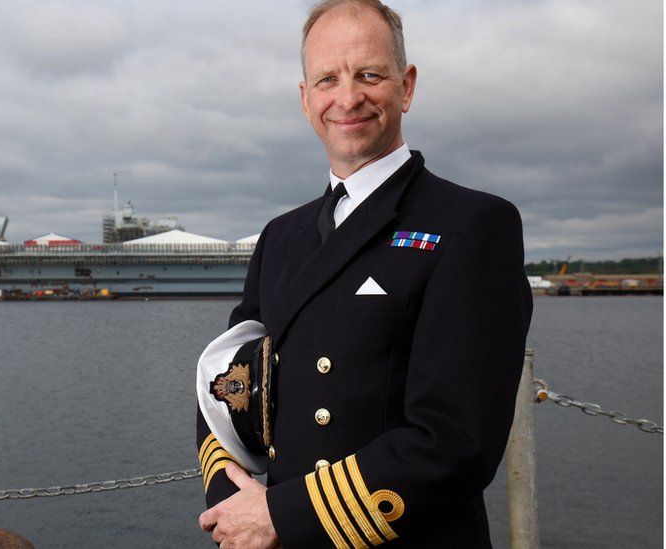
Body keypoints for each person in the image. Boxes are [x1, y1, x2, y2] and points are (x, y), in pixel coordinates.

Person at [195, 0, 533, 547]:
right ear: (306, 100)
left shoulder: (474, 225)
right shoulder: (281, 236)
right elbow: (230, 384)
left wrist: (284, 515)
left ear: (407, 86)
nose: (347, 98)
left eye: (369, 75)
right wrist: (233, 501)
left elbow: (456, 442)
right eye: (327, 79)